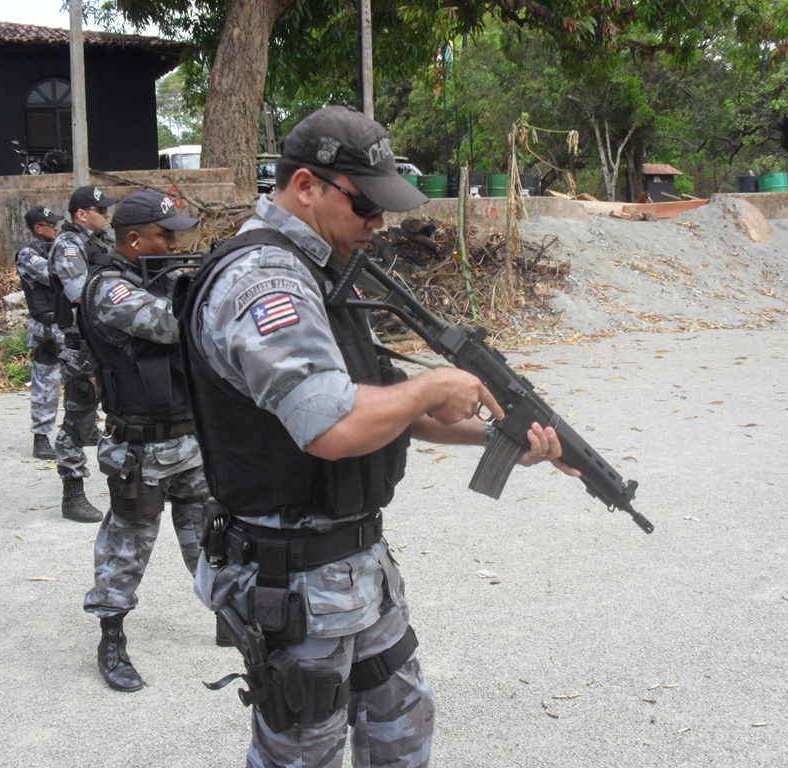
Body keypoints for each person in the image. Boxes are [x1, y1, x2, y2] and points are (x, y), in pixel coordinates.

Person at [180, 106, 577, 767]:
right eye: (366, 204)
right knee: (302, 755)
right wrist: (429, 388)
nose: (379, 222)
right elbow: (333, 425)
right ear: (306, 186)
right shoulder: (265, 282)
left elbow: (379, 400)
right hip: (296, 580)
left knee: (403, 729)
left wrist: (499, 436)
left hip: (355, 571)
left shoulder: (321, 270)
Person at [78, 189, 210, 692]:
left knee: (210, 538)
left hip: (189, 441)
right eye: (164, 234)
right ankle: (111, 636)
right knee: (128, 546)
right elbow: (172, 324)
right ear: (134, 239)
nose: (175, 242)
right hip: (139, 449)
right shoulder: (110, 289)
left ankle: (234, 619)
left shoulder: (160, 278)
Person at [48, 185, 118, 523]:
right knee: (79, 419)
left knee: (122, 409)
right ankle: (72, 492)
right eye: (101, 210)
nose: (107, 215)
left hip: (103, 340)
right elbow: (80, 293)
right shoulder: (67, 245)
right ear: (81, 214)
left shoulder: (99, 243)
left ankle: (130, 481)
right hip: (80, 346)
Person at [15, 204, 64, 460]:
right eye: (51, 224)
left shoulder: (56, 250)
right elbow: (53, 275)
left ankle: (83, 429)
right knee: (46, 381)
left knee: (83, 377)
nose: (56, 228)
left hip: (67, 324)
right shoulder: (28, 254)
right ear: (38, 228)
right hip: (46, 326)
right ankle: (42, 437)